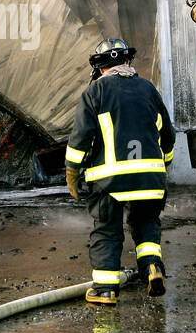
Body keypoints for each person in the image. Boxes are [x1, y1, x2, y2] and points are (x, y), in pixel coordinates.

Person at [65, 38, 175, 305]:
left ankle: (105, 290)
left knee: (107, 230)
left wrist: (72, 172)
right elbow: (167, 136)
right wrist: (163, 166)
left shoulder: (95, 93)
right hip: (150, 177)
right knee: (146, 222)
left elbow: (80, 139)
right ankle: (151, 267)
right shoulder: (148, 89)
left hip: (108, 182)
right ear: (127, 62)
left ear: (101, 68)